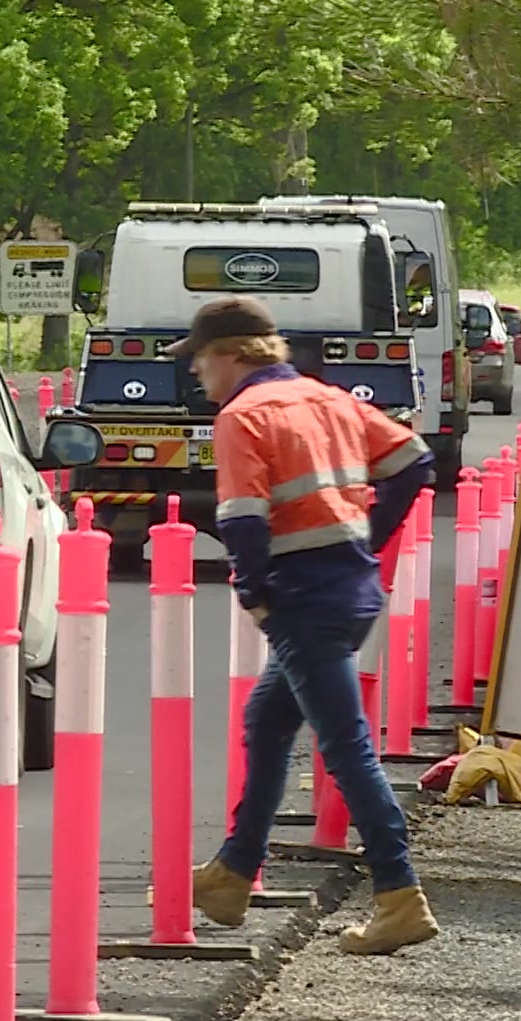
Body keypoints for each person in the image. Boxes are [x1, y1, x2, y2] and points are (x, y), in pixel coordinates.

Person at [166, 295, 440, 955]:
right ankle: (234, 872)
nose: (196, 371)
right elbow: (414, 461)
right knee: (268, 721)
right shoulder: (328, 398)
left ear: (232, 354)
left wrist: (255, 591)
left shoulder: (242, 416)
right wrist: (368, 538)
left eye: (200, 357)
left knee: (346, 747)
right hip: (349, 590)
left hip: (305, 600)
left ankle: (400, 895)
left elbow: (242, 519)